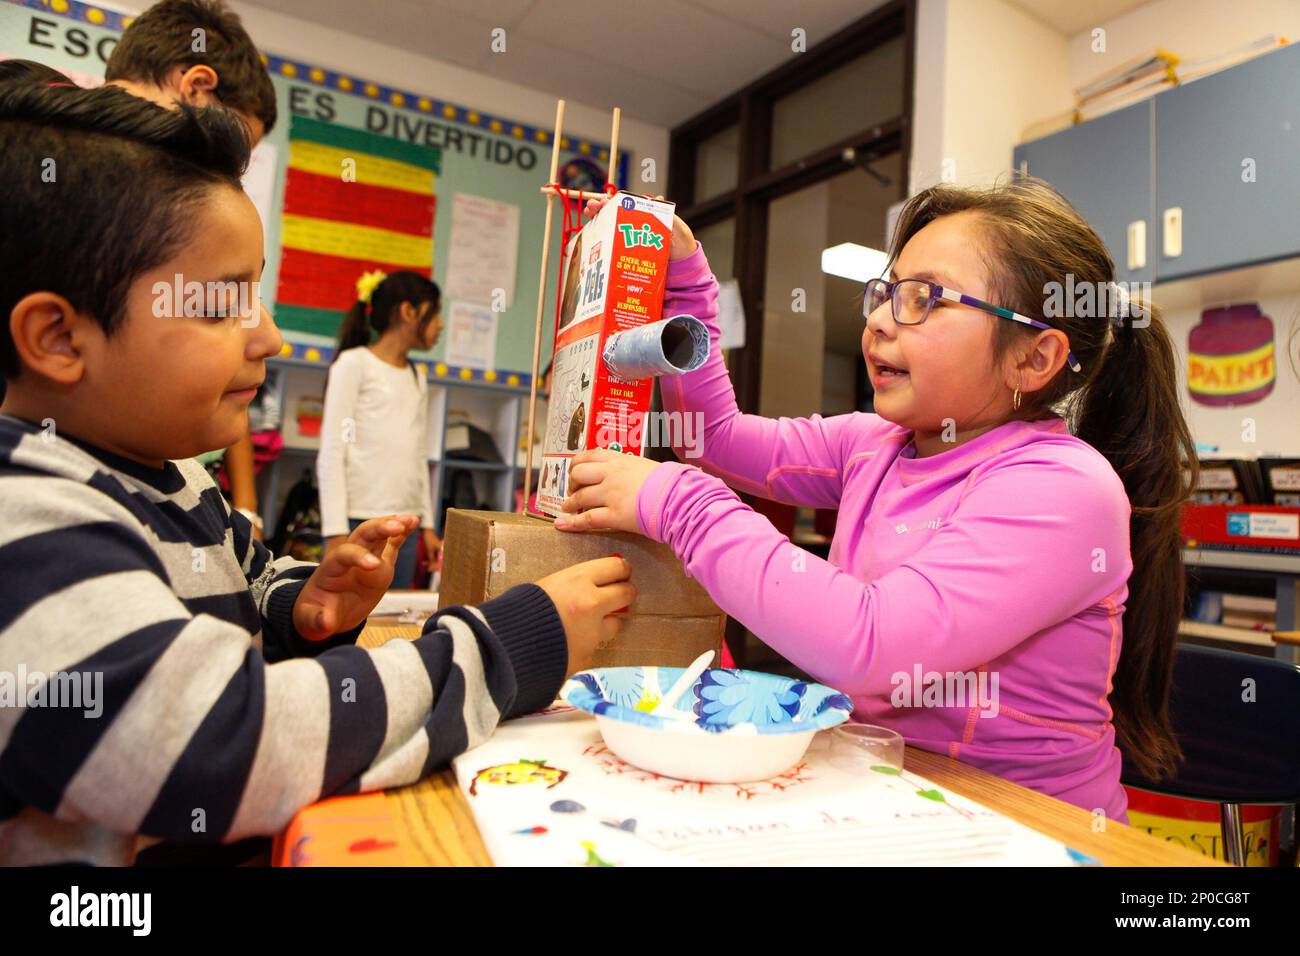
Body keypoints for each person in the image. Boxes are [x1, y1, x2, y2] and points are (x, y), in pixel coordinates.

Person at [0, 84, 633, 864]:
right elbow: (217, 741)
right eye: (219, 303)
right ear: (59, 337)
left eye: (256, 295)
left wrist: (298, 609)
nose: (265, 335)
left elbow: (246, 585)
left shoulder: (179, 480)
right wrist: (503, 649)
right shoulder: (25, 519)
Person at [554, 182, 1198, 824]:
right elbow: (714, 440)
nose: (881, 319)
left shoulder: (1064, 487)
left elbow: (873, 646)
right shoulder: (876, 444)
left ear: (1034, 358)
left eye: (924, 298)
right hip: (891, 796)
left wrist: (680, 504)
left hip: (1025, 828)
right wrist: (686, 280)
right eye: (886, 291)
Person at [319, 271, 444, 588]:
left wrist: (427, 525)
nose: (440, 324)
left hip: (405, 526)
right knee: (352, 613)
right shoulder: (354, 364)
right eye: (436, 312)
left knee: (392, 613)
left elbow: (418, 457)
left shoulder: (418, 376)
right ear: (408, 311)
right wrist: (335, 532)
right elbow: (333, 449)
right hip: (358, 520)